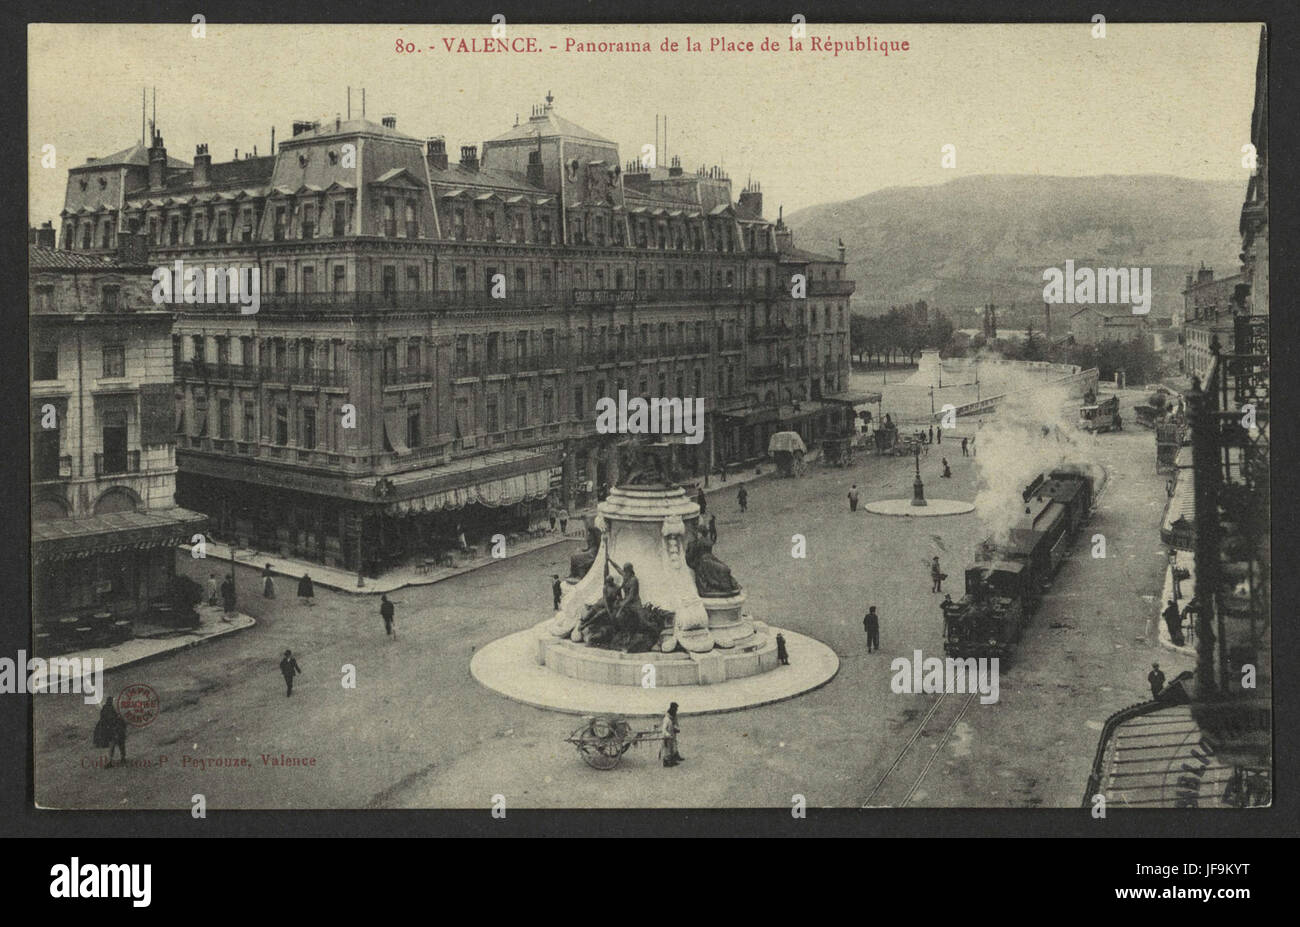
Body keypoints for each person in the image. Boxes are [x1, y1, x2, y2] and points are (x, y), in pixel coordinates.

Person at [96, 700, 127, 767]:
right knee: (119, 745)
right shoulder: (114, 713)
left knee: (115, 745)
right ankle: (121, 758)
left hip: (115, 731)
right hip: (116, 731)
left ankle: (115, 760)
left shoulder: (107, 713)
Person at [659, 702, 683, 767]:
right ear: (672, 709)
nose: (677, 711)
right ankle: (666, 762)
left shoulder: (672, 718)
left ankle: (672, 759)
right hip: (667, 737)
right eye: (676, 709)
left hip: (671, 735)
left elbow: (674, 724)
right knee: (667, 749)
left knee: (672, 747)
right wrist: (668, 735)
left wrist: (675, 729)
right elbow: (663, 730)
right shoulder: (667, 719)